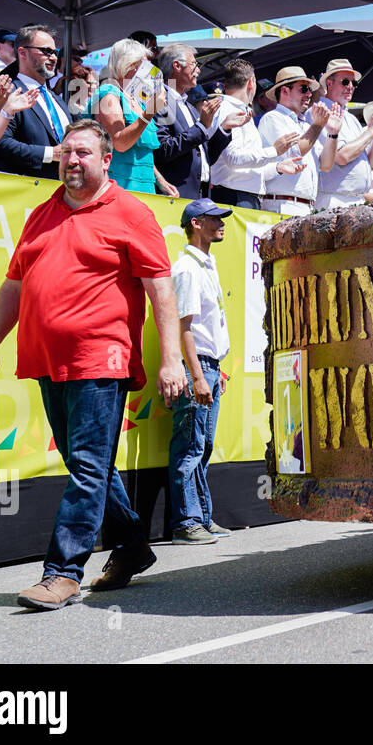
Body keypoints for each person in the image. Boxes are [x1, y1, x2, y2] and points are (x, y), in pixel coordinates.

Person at [0, 119, 189, 609]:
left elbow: (161, 291)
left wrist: (172, 360)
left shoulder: (132, 213)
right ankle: (132, 547)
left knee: (88, 466)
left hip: (102, 358)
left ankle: (62, 573)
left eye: (84, 152)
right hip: (48, 359)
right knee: (87, 466)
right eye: (67, 152)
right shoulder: (41, 214)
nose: (72, 160)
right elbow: (14, 287)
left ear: (107, 160)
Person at [168, 198, 234, 545]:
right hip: (197, 367)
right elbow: (183, 328)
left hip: (210, 366)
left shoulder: (205, 264)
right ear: (196, 224)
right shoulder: (187, 268)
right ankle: (186, 522)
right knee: (189, 446)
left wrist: (211, 371)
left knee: (203, 445)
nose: (221, 223)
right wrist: (196, 375)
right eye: (215, 219)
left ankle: (202, 518)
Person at [208, 60, 312, 209]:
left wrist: (278, 167)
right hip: (233, 196)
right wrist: (274, 150)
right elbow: (233, 159)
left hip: (241, 195)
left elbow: (247, 168)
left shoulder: (238, 110)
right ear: (251, 82)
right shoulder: (229, 109)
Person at [0, 23, 75, 179]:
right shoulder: (8, 93)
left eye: (55, 52)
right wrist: (50, 153)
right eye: (46, 51)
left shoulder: (56, 100)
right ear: (22, 53)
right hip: (25, 192)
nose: (53, 57)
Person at [152, 43, 237, 199]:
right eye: (194, 65)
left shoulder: (189, 107)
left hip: (200, 194)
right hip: (175, 194)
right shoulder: (160, 101)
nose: (198, 70)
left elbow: (204, 155)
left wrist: (224, 129)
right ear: (177, 66)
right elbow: (163, 150)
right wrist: (201, 126)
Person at [92, 38, 167, 195]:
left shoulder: (135, 99)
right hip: (120, 184)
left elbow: (140, 147)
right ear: (130, 64)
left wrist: (160, 180)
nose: (150, 70)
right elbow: (119, 142)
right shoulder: (108, 93)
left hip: (144, 185)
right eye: (144, 64)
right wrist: (151, 111)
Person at [256, 66, 328, 215]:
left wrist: (334, 133)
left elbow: (326, 164)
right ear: (285, 91)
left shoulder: (306, 125)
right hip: (282, 204)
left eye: (309, 89)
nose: (309, 94)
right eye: (303, 89)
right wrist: (318, 125)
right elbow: (296, 153)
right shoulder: (272, 118)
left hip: (305, 207)